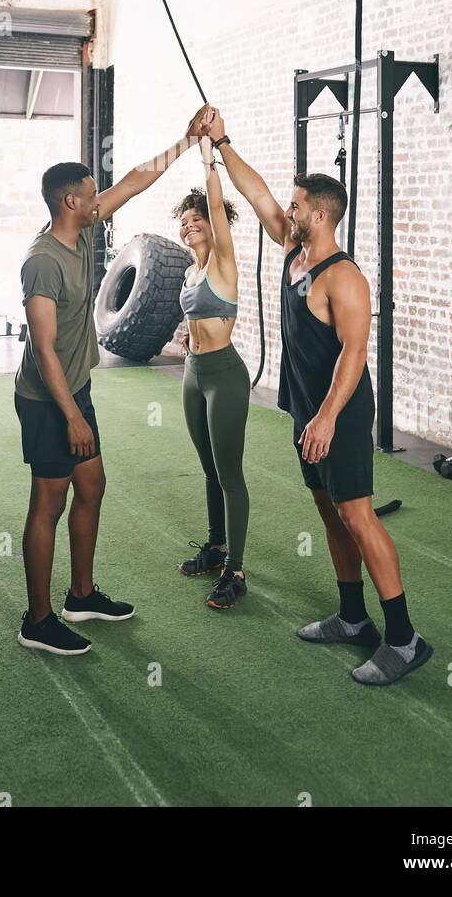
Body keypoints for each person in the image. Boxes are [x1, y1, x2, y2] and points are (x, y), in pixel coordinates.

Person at [203, 107, 432, 686]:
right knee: (330, 512)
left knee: (357, 513)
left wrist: (328, 417)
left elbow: (355, 355)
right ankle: (354, 617)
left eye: (298, 204)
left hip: (342, 413)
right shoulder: (292, 248)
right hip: (308, 410)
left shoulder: (343, 277)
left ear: (321, 214)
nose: (288, 209)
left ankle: (404, 639)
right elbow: (255, 195)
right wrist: (223, 140)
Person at [15, 106, 212, 656]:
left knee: (92, 486)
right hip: (46, 398)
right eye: (90, 189)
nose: (99, 194)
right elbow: (42, 347)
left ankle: (81, 595)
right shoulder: (42, 262)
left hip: (76, 389)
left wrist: (185, 137)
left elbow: (135, 179)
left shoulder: (83, 228)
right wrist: (71, 414)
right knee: (48, 502)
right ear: (70, 201)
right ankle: (37, 619)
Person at [172, 131, 250, 609]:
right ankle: (216, 545)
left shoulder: (223, 260)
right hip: (193, 373)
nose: (189, 227)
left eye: (196, 220)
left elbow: (218, 209)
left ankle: (235, 570)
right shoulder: (190, 272)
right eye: (184, 223)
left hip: (224, 375)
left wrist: (209, 157)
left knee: (229, 474)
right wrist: (187, 333)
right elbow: (196, 313)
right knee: (207, 468)